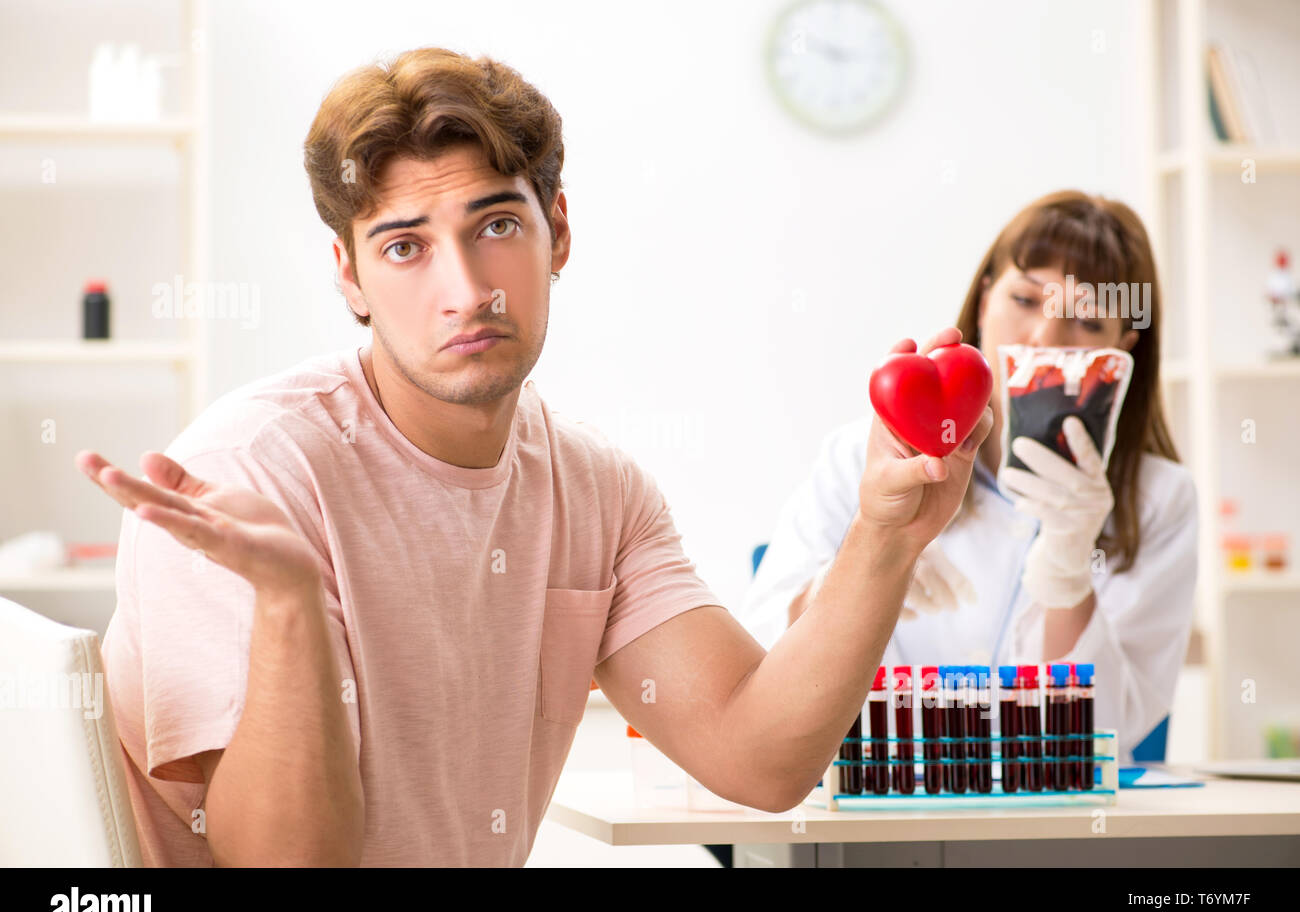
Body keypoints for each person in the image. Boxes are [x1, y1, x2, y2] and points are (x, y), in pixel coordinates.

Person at [75, 47, 992, 866]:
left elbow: (760, 757)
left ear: (558, 228)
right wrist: (287, 606)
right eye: (405, 247)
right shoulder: (249, 478)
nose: (466, 290)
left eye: (498, 227)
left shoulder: (599, 491)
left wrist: (884, 536)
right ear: (349, 276)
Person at [741, 191, 1197, 766]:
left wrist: (1067, 576)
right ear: (983, 301)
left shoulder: (1160, 500)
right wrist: (859, 573)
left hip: (1062, 830)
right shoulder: (861, 455)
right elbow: (759, 669)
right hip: (881, 805)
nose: (1045, 339)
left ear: (1122, 349)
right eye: (1025, 299)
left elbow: (1109, 734)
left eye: (1086, 319)